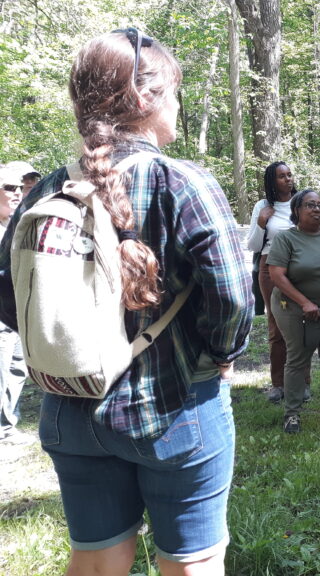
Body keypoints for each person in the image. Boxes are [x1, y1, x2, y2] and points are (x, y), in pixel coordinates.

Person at [0, 29, 253, 575]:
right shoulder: (182, 182)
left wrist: (67, 347)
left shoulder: (46, 190)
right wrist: (221, 354)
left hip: (69, 410)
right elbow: (232, 297)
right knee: (191, 565)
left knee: (95, 564)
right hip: (174, 407)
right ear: (144, 98)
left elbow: (8, 294)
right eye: (175, 91)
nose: (179, 104)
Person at [268, 189, 320, 434]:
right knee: (297, 358)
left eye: (319, 205)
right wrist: (305, 302)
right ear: (297, 210)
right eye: (310, 205)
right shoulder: (286, 239)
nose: (317, 209)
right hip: (296, 311)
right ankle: (292, 414)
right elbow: (276, 275)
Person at [247, 161, 311, 404]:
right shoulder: (263, 206)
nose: (288, 179)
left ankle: (303, 382)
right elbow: (253, 245)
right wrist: (261, 223)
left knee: (303, 323)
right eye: (282, 176)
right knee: (276, 325)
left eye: (289, 174)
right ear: (272, 181)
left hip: (299, 266)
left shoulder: (301, 202)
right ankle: (278, 384)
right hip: (269, 266)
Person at [0, 165, 30, 444]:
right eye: (10, 187)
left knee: (16, 368)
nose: (17, 193)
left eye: (20, 187)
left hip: (16, 314)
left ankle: (7, 426)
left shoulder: (13, 227)